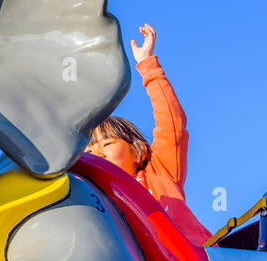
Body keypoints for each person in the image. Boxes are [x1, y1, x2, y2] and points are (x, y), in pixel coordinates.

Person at [84, 25, 212, 246]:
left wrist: (148, 67)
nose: (97, 153)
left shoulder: (159, 172)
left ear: (137, 151)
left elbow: (172, 124)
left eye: (106, 144)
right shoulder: (93, 200)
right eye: (89, 151)